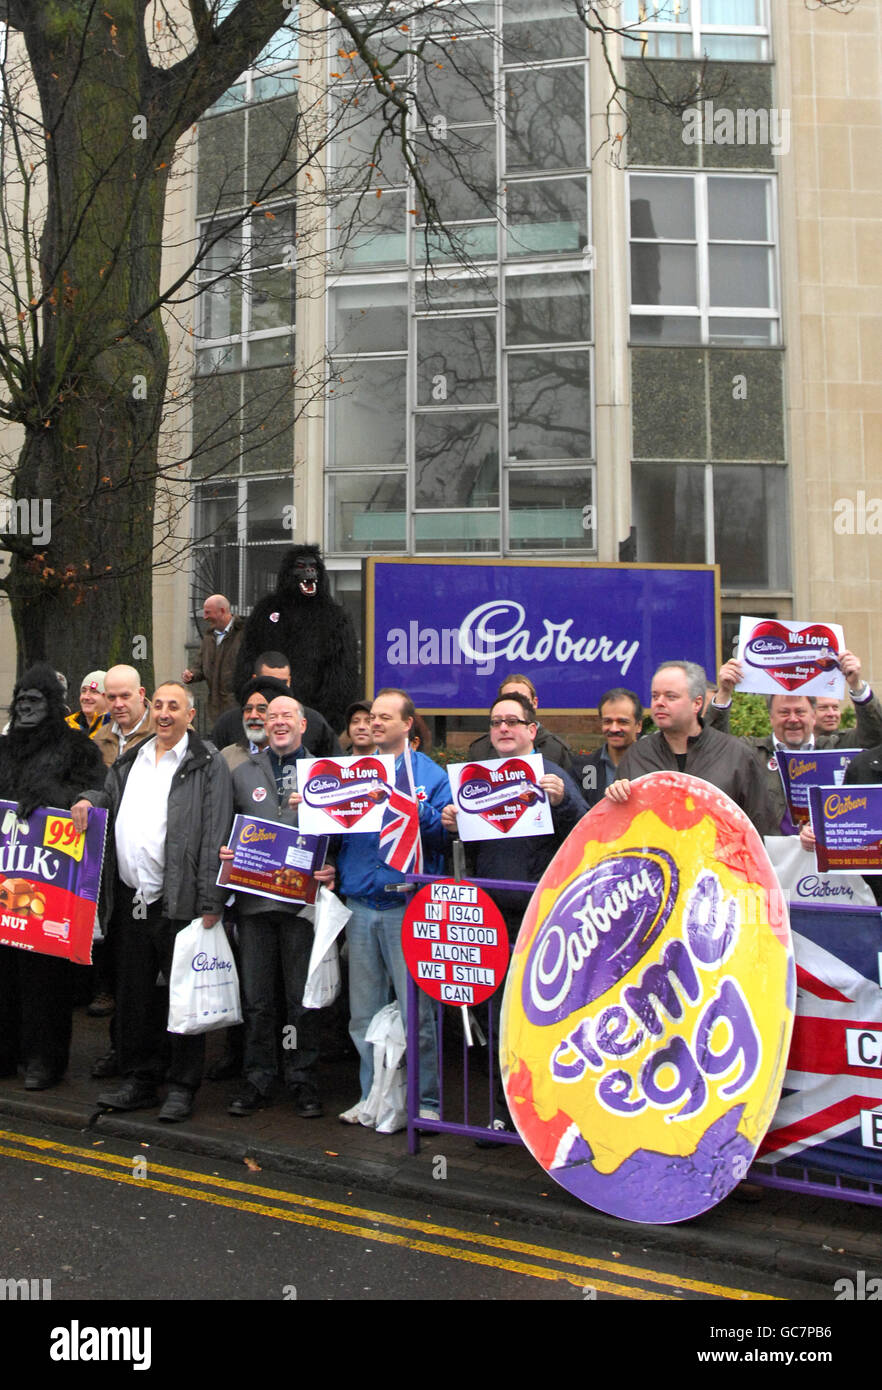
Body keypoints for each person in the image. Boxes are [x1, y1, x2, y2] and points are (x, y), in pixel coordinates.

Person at [72, 682, 233, 1123]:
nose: (164, 713)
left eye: (173, 707)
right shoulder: (131, 759)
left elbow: (215, 831)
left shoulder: (207, 763)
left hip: (179, 899)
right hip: (131, 898)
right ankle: (142, 1079)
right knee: (135, 995)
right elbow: (110, 799)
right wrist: (89, 799)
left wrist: (210, 900)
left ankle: (182, 1086)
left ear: (190, 715)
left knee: (182, 997)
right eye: (159, 705)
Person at [442, 691, 585, 1132]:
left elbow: (585, 829)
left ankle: (546, 1112)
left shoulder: (553, 776)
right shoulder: (474, 779)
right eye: (496, 721)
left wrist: (562, 803)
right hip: (488, 917)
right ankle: (504, 1113)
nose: (504, 728)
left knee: (539, 1019)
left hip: (540, 920)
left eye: (513, 721)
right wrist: (452, 822)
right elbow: (464, 847)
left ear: (532, 730)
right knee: (494, 1016)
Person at [336, 688, 450, 1125]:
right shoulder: (348, 773)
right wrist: (309, 809)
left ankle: (427, 1103)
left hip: (409, 906)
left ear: (408, 724)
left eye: (385, 717)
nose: (374, 723)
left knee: (417, 1014)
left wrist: (406, 805)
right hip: (361, 905)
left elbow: (443, 836)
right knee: (362, 1014)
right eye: (371, 716)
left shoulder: (431, 775)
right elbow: (334, 835)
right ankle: (372, 1097)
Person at [221, 695, 335, 1119]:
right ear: (264, 725)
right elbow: (225, 825)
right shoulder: (239, 770)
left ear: (303, 725)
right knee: (257, 999)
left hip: (301, 906)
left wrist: (333, 865)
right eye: (272, 717)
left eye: (288, 716)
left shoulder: (325, 773)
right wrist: (225, 855)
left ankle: (302, 1079)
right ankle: (258, 1078)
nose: (279, 722)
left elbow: (340, 834)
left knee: (301, 999)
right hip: (253, 904)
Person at [0, 665, 106, 1089]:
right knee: (5, 969)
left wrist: (50, 800)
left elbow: (93, 794)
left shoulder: (78, 748)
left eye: (34, 702)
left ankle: (45, 1060)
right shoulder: (4, 748)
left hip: (50, 879)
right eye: (20, 701)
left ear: (52, 706)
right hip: (7, 874)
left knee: (45, 974)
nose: (25, 710)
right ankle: (6, 1054)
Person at [707, 652, 882, 832]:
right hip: (770, 855)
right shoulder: (751, 752)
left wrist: (856, 686)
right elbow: (715, 747)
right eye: (784, 712)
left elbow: (875, 736)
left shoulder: (836, 747)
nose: (793, 719)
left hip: (828, 854)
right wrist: (725, 692)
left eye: (800, 712)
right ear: (771, 717)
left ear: (814, 716)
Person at [605, 661, 774, 834]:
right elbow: (618, 830)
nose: (659, 703)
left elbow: (759, 830)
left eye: (671, 696)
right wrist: (617, 796)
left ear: (697, 703)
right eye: (655, 696)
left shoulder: (737, 755)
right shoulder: (636, 755)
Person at [211, 651, 341, 759]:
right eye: (249, 709)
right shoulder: (227, 728)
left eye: (282, 683)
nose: (254, 715)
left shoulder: (315, 722)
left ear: (302, 724)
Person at [467, 673, 574, 773]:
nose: (515, 704)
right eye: (508, 698)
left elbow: (572, 789)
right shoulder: (479, 749)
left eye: (522, 700)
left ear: (535, 703)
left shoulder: (556, 749)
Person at [182, 593, 245, 727]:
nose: (204, 617)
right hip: (215, 708)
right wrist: (192, 674)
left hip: (237, 707)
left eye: (208, 613)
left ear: (222, 611)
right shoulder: (209, 637)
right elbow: (200, 665)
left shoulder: (243, 634)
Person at [577, 687, 643, 809]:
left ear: (638, 726)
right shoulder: (587, 768)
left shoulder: (652, 766)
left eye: (622, 722)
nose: (614, 729)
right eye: (607, 721)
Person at [219, 674, 293, 772]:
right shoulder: (228, 756)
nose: (253, 715)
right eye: (248, 709)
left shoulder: (295, 756)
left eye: (262, 709)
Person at [94, 665, 156, 769]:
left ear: (141, 694)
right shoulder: (100, 738)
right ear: (104, 697)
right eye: (112, 697)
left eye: (125, 696)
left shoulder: (165, 732)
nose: (118, 704)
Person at [65, 670, 110, 738]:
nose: (86, 697)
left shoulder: (117, 729)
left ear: (108, 697)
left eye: (94, 692)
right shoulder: (65, 727)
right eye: (83, 691)